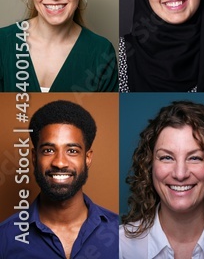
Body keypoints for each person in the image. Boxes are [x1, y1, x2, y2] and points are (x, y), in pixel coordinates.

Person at [120, 100, 204, 259]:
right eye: (167, 157)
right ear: (150, 165)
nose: (180, 174)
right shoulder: (121, 246)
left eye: (195, 158)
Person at [0, 100, 118, 257]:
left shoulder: (120, 232)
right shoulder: (4, 238)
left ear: (87, 158)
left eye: (72, 151)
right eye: (48, 150)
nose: (60, 163)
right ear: (34, 157)